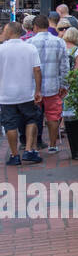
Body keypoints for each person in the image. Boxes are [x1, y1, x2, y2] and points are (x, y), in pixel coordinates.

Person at [0, 22, 43, 165]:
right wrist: (38, 90)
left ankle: (14, 154)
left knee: (9, 124)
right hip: (26, 92)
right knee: (31, 119)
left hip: (6, 94)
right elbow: (37, 70)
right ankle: (29, 150)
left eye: (4, 30)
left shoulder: (1, 49)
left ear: (10, 32)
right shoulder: (30, 48)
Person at [29, 15, 69, 154]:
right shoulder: (59, 42)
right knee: (53, 116)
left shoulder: (29, 42)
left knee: (33, 117)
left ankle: (32, 146)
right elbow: (65, 66)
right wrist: (65, 85)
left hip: (34, 88)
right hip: (54, 85)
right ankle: (52, 145)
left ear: (35, 27)